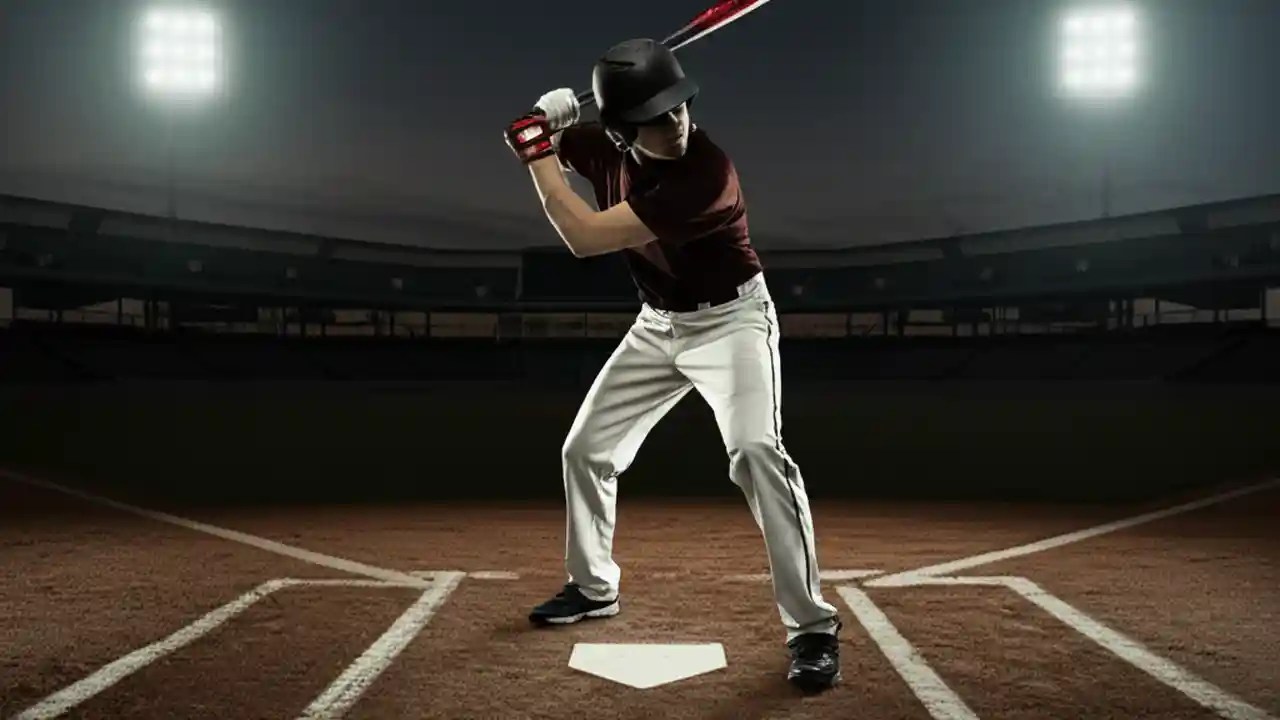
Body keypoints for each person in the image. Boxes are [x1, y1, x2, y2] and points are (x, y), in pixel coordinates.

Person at [502, 38, 842, 691]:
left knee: (754, 452)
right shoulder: (606, 147)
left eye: (680, 106)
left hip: (732, 324)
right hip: (658, 325)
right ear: (623, 130)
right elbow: (528, 138)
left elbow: (582, 235)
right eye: (657, 116)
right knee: (586, 451)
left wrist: (539, 151)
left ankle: (813, 627)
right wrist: (539, 123)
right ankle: (593, 587)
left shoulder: (705, 175)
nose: (677, 122)